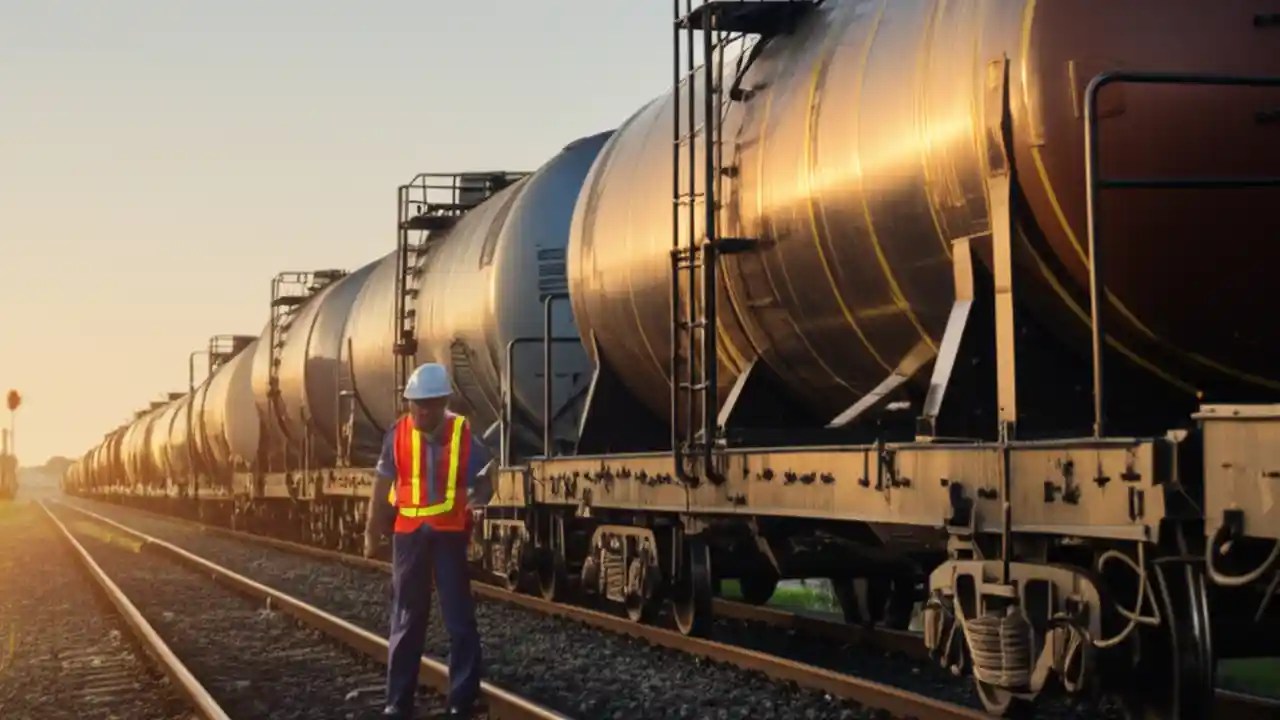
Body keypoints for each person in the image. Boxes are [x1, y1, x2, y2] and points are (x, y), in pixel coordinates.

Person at [364, 362, 494, 719]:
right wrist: (370, 530)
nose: (421, 410)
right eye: (415, 403)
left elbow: (486, 477)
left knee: (459, 619)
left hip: (449, 535)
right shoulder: (398, 434)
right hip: (409, 538)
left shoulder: (463, 434)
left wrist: (478, 508)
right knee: (406, 618)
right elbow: (380, 485)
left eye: (429, 403)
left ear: (443, 403)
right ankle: (397, 702)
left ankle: (462, 700)